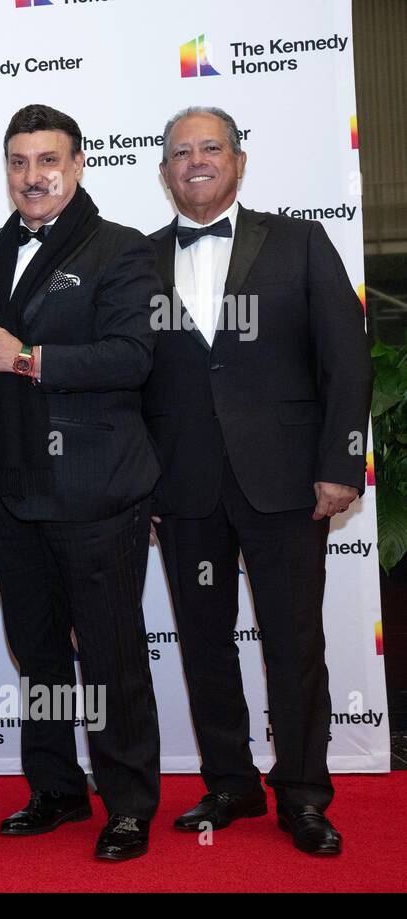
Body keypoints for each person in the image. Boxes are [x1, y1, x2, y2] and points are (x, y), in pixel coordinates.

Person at [143, 106, 372, 855]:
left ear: (238, 161)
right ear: (165, 169)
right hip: (185, 487)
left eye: (211, 148)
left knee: (293, 641)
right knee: (205, 640)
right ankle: (230, 779)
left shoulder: (300, 242)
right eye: (181, 152)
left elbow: (347, 360)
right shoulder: (139, 261)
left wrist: (340, 464)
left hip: (286, 484)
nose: (195, 161)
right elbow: (131, 381)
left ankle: (304, 793)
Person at [0, 104, 162, 861]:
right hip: (12, 491)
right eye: (18, 161)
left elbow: (132, 356)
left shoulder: (122, 250)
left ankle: (129, 799)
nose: (32, 176)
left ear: (78, 164)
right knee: (38, 651)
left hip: (98, 490)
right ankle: (56, 785)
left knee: (108, 649)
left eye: (47, 160)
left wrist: (26, 357)